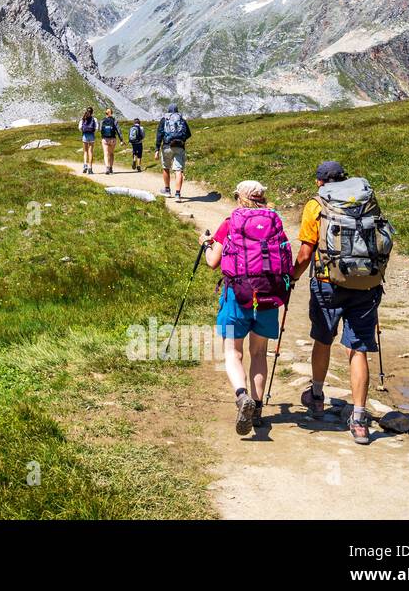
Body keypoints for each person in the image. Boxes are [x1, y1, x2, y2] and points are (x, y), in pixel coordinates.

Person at [290, 161, 382, 445]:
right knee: (358, 349)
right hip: (366, 283)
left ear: (320, 182)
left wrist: (291, 277)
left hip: (328, 283)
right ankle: (358, 418)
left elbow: (306, 253)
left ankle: (317, 396)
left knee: (323, 339)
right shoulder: (366, 198)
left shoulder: (316, 204)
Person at [205, 181, 293, 434]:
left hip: (238, 295)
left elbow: (213, 262)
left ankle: (242, 396)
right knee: (259, 353)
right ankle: (256, 407)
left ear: (238, 198)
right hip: (268, 295)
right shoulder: (275, 221)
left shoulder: (230, 222)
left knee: (233, 352)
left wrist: (207, 243)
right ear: (262, 198)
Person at [154, 104, 191, 199]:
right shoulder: (182, 119)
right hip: (180, 147)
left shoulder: (164, 119)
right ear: (177, 111)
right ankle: (178, 194)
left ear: (168, 111)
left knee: (166, 168)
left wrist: (157, 149)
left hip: (167, 146)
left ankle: (167, 191)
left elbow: (159, 134)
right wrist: (181, 140)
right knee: (178, 170)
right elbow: (188, 134)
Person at [99, 108, 120, 174]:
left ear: (106, 113)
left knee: (106, 153)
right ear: (112, 113)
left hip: (105, 139)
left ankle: (107, 167)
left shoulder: (102, 120)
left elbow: (100, 129)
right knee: (111, 153)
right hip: (113, 139)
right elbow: (118, 130)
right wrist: (121, 139)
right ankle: (111, 168)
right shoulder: (114, 120)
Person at [79, 107, 97, 174]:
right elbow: (96, 128)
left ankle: (85, 165)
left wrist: (83, 132)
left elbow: (80, 127)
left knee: (85, 151)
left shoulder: (83, 118)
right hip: (91, 135)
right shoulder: (94, 119)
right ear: (92, 112)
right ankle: (90, 168)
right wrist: (93, 132)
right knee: (91, 152)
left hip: (85, 135)